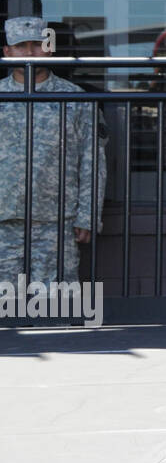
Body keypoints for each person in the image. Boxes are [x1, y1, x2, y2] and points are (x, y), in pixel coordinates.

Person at [0, 16, 106, 284]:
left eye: (37, 44)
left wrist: (88, 214)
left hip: (57, 222)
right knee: (4, 310)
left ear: (49, 47)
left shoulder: (76, 98)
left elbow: (92, 161)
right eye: (21, 45)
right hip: (4, 220)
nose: (30, 52)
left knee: (55, 307)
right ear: (7, 51)